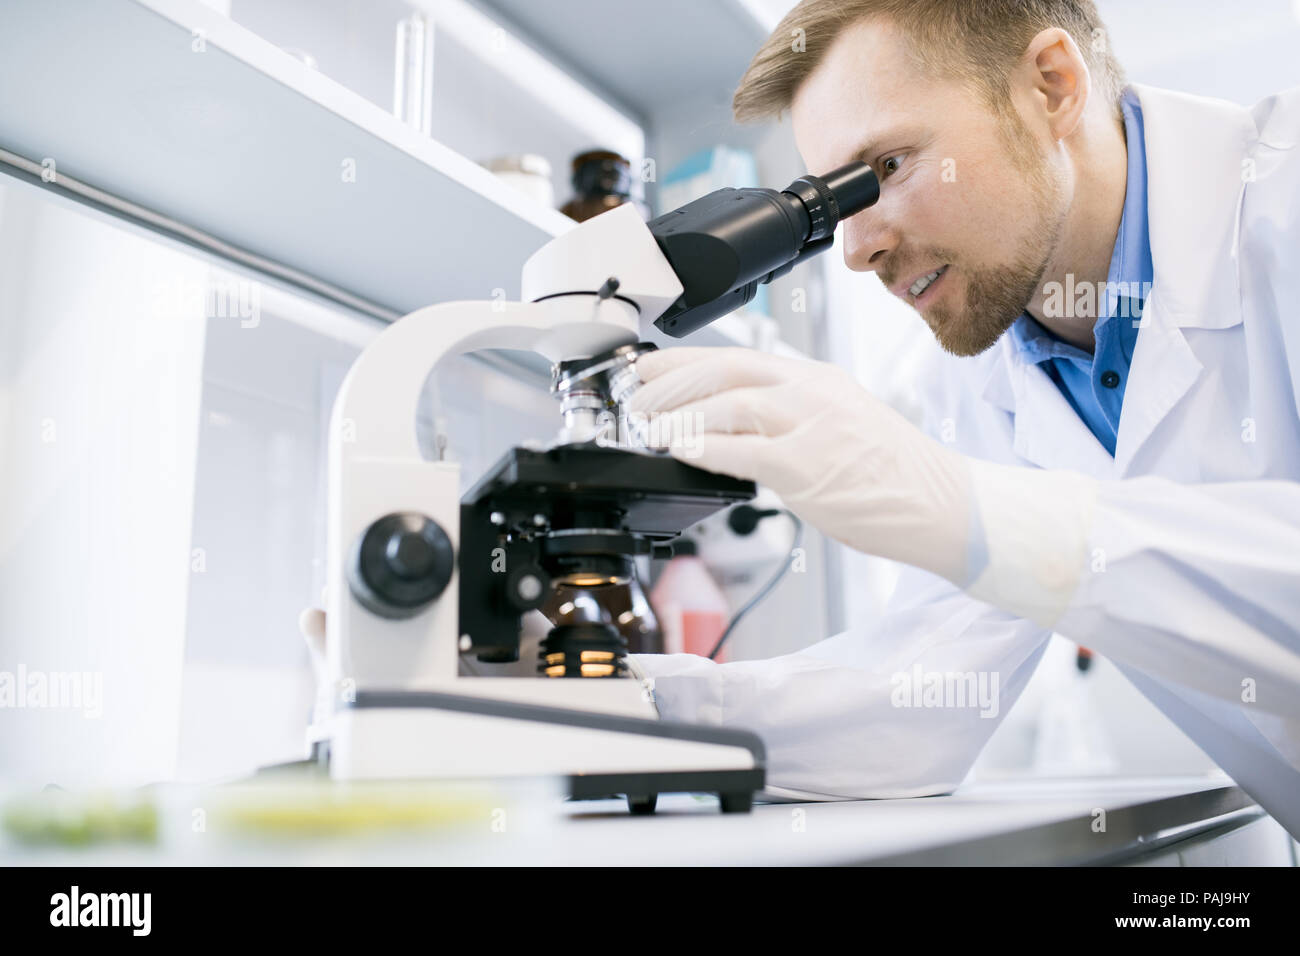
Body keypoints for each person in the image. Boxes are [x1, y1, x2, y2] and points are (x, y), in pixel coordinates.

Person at [621, 0, 1300, 837]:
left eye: (890, 165)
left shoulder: (1283, 200)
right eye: (831, 203)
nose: (855, 249)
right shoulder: (982, 376)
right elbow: (917, 700)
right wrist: (615, 703)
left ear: (1051, 87)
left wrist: (967, 509)